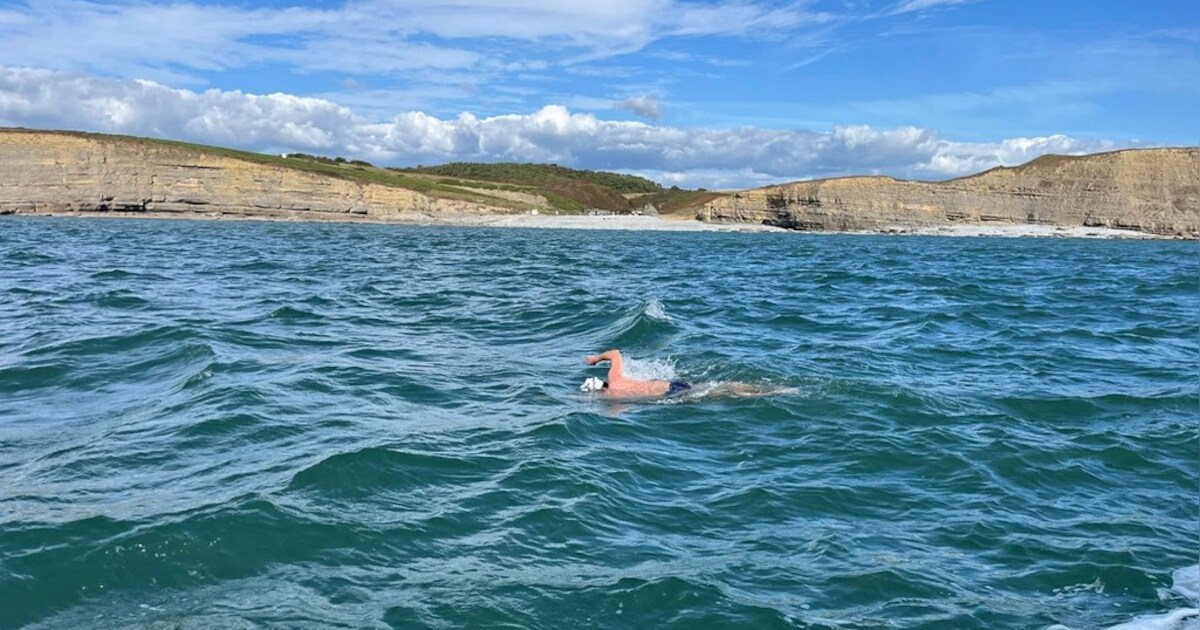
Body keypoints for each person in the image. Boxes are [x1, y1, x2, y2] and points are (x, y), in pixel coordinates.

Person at [581, 349, 691, 399]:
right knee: (701, 388)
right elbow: (615, 353)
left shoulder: (612, 395)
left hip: (672, 393)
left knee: (705, 393)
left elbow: (615, 415)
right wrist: (595, 359)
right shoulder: (615, 377)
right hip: (672, 384)